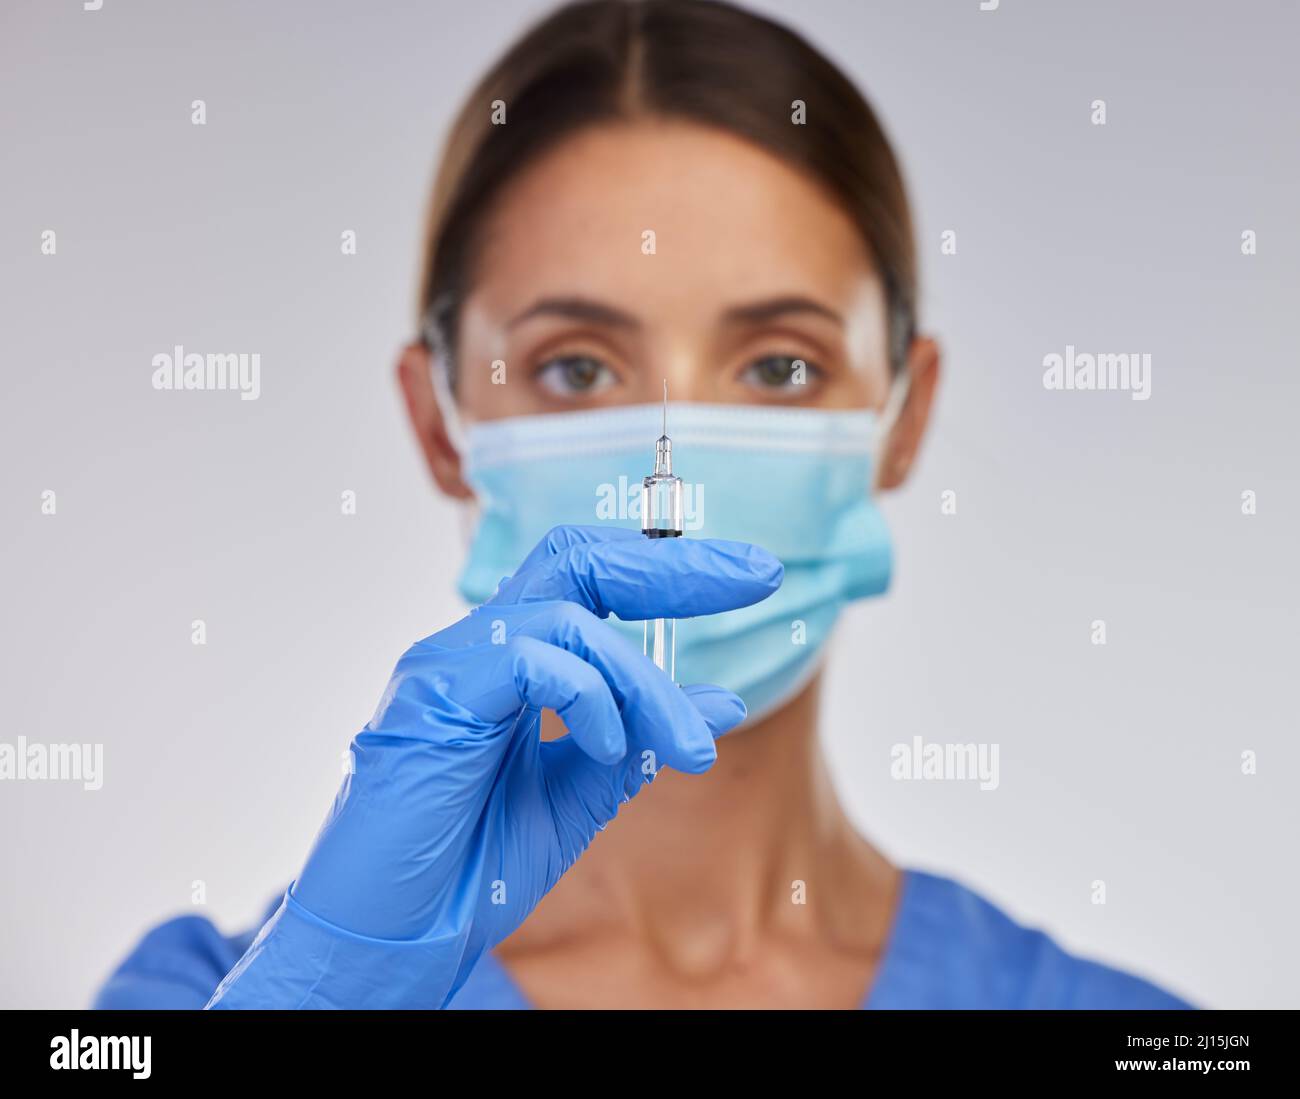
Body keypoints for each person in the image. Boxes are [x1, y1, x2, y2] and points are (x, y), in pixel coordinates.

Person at [95, 0, 1191, 1010]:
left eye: (778, 366)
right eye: (575, 367)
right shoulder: (195, 997)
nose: (681, 454)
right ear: (439, 425)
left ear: (904, 415)